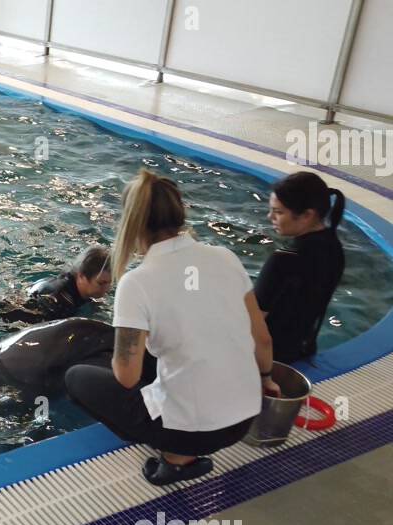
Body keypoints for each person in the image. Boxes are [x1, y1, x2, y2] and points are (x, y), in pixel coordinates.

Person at [64, 169, 278, 486]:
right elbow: (261, 338)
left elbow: (127, 376)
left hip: (193, 434)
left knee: (77, 377)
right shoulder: (226, 257)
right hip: (247, 416)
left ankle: (178, 460)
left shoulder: (136, 283)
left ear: (132, 224)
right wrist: (266, 379)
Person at [255, 172, 345, 364]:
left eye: (278, 212)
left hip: (266, 359)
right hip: (301, 350)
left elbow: (253, 323)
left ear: (307, 215)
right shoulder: (335, 249)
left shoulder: (283, 260)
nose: (269, 216)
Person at [0, 245, 112, 325]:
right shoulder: (58, 301)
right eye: (102, 283)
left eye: (110, 282)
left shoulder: (77, 290)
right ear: (81, 276)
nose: (107, 289)